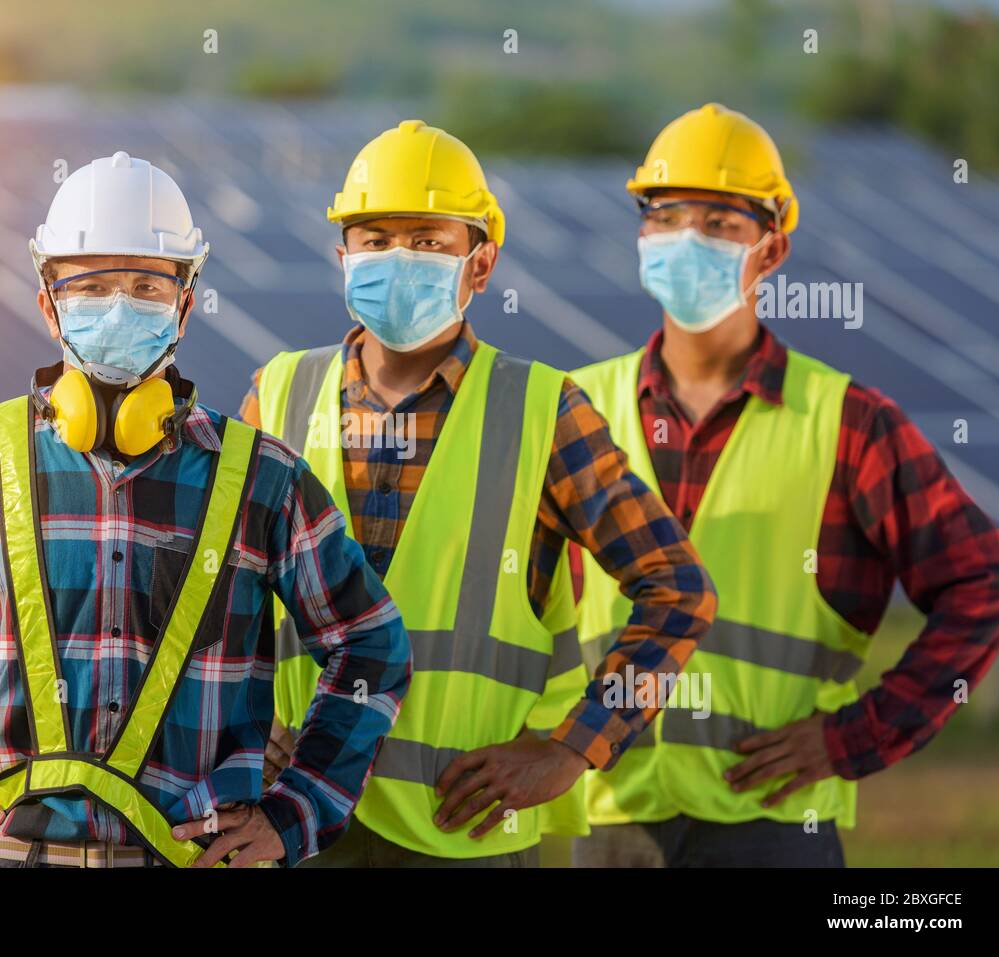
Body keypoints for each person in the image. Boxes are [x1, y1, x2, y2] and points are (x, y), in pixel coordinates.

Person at [0, 151, 411, 869]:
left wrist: (298, 809)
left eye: (146, 285)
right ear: (48, 302)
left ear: (186, 303)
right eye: (92, 285)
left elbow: (370, 643)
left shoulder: (262, 478)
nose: (120, 305)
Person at [243, 120, 717, 867]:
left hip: (464, 832)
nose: (399, 259)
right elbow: (217, 598)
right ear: (343, 257)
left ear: (481, 263)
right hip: (295, 822)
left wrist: (571, 748)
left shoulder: (543, 412)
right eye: (375, 238)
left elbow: (679, 591)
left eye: (429, 241)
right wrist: (241, 724)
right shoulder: (278, 394)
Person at [569, 103, 999, 867]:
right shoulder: (574, 408)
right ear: (642, 235)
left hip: (774, 830)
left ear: (770, 251)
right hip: (614, 824)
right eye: (666, 216)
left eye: (719, 223)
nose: (687, 240)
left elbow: (983, 578)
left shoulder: (848, 423)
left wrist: (854, 737)